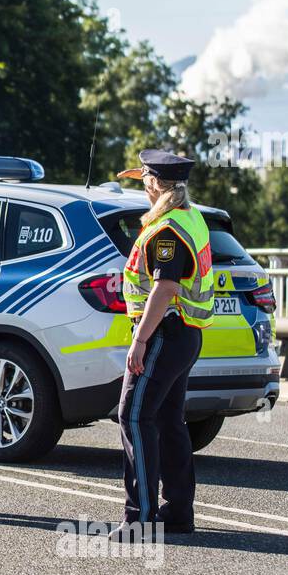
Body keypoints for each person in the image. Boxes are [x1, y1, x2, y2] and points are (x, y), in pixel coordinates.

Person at [110, 150, 215, 541]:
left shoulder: (167, 229)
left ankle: (140, 518)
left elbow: (166, 287)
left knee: (133, 417)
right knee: (169, 420)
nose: (141, 185)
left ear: (154, 183)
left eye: (143, 180)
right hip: (184, 335)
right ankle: (177, 512)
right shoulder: (191, 218)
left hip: (163, 334)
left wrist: (139, 340)